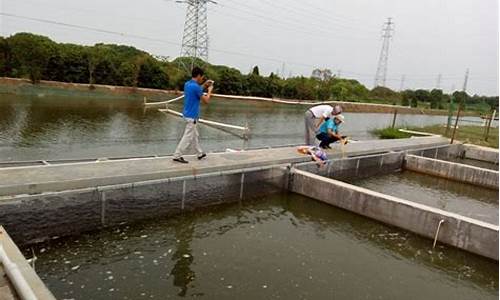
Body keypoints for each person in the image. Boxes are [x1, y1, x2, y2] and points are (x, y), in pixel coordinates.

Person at [173, 67, 213, 164]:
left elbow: (198, 89)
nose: (202, 79)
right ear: (199, 75)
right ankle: (177, 155)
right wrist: (210, 90)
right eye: (202, 77)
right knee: (188, 136)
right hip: (192, 116)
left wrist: (204, 85)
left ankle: (199, 153)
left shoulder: (187, 84)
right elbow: (206, 100)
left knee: (195, 135)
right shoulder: (195, 87)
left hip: (187, 114)